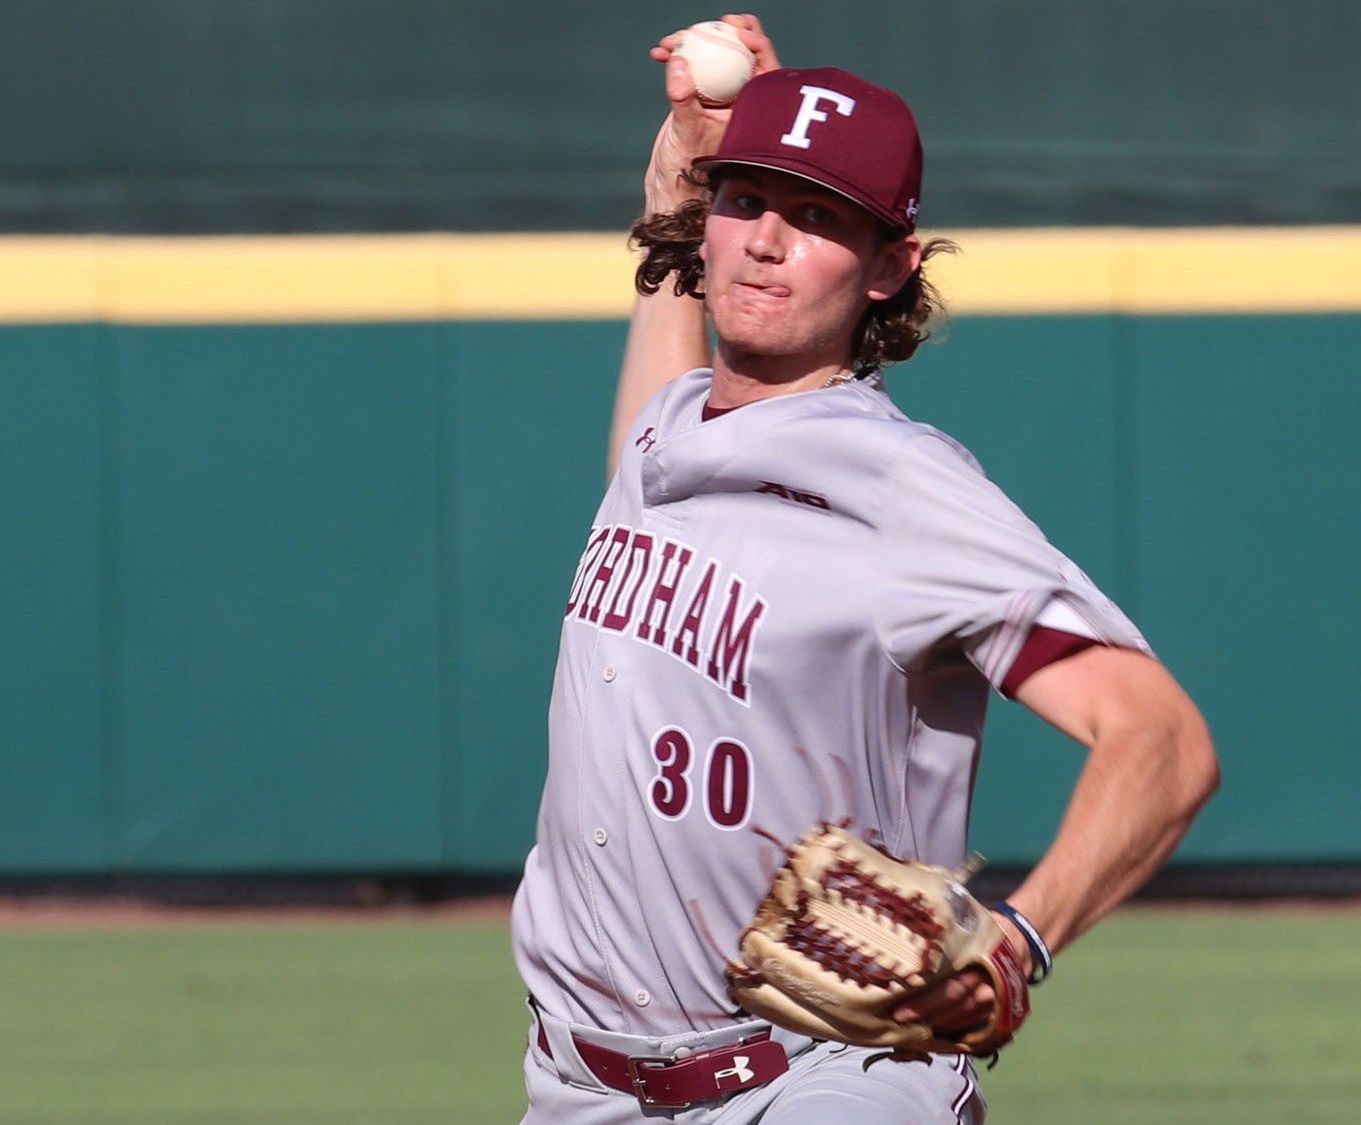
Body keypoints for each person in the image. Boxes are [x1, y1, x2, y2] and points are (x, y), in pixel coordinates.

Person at [508, 15, 1219, 1124]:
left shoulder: (900, 485)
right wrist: (676, 175)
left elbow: (1161, 739)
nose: (765, 240)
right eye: (745, 202)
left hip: (814, 1087)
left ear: (890, 268)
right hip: (579, 1089)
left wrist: (1018, 942)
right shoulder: (668, 436)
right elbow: (649, 455)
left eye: (817, 217)